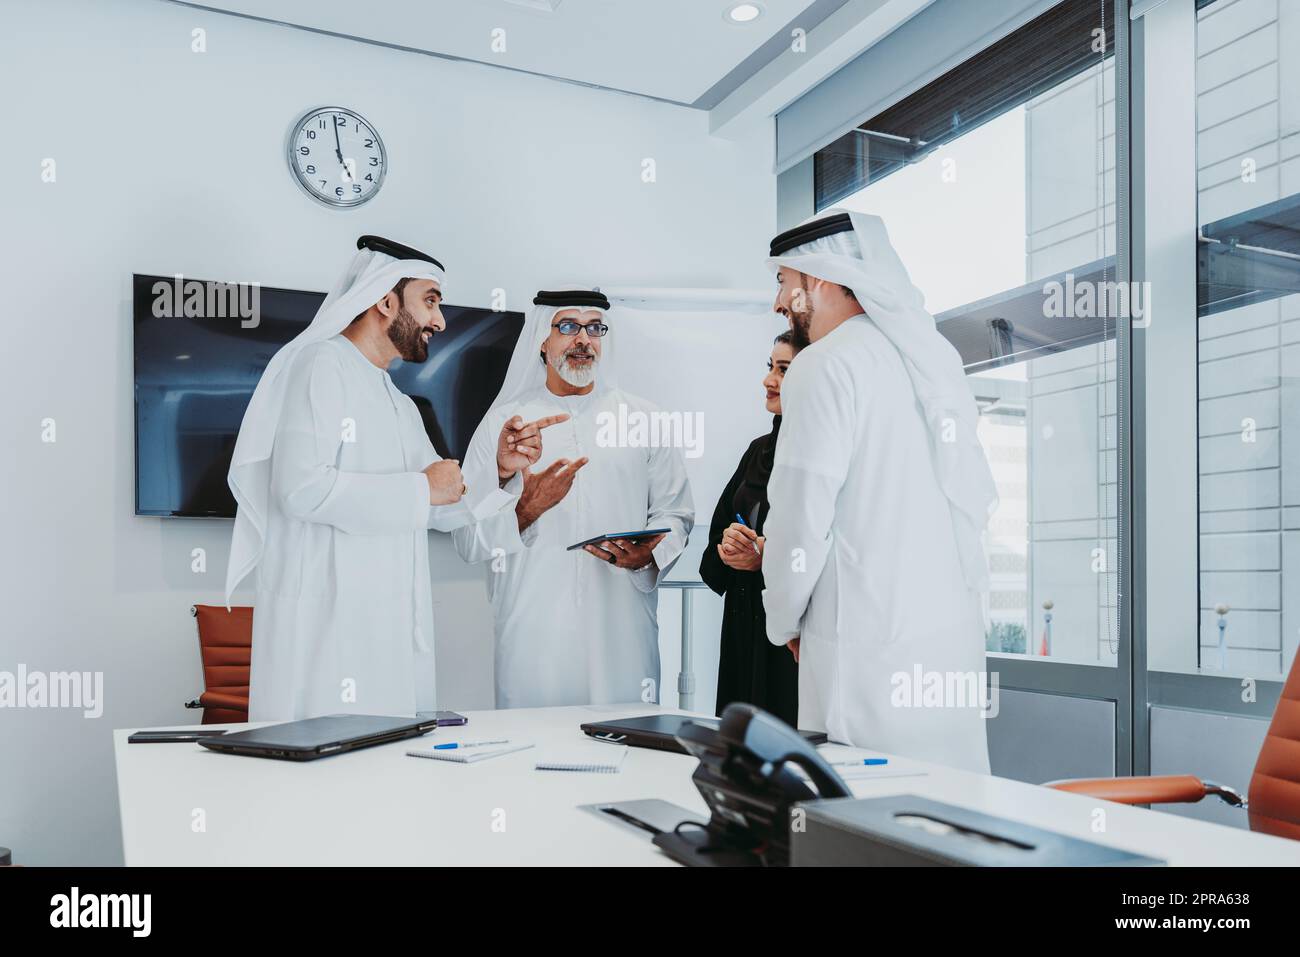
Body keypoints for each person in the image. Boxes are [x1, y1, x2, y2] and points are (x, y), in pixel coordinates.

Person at [225, 235, 520, 722]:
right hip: (329, 630)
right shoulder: (320, 364)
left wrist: (499, 471)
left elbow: (441, 506)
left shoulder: (399, 402)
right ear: (385, 300)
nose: (440, 321)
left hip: (389, 632)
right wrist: (424, 489)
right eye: (430, 300)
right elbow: (300, 488)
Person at [760, 210, 999, 774]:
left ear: (817, 279)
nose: (777, 304)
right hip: (944, 653)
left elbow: (799, 520)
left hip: (864, 653)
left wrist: (784, 623)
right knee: (944, 822)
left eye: (783, 284)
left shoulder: (822, 366)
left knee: (866, 831)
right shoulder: (922, 365)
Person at [452, 288, 694, 708]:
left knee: (629, 751)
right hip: (534, 636)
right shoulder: (503, 424)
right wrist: (527, 507)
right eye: (567, 326)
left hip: (623, 632)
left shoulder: (646, 419)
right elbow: (467, 541)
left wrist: (648, 556)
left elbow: (676, 514)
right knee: (532, 757)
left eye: (594, 328)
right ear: (541, 342)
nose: (583, 339)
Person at [699, 330, 803, 726]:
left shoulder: (825, 451)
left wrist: (765, 557)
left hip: (790, 642)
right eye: (769, 367)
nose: (768, 379)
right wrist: (729, 547)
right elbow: (713, 555)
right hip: (744, 632)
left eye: (784, 369)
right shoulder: (758, 450)